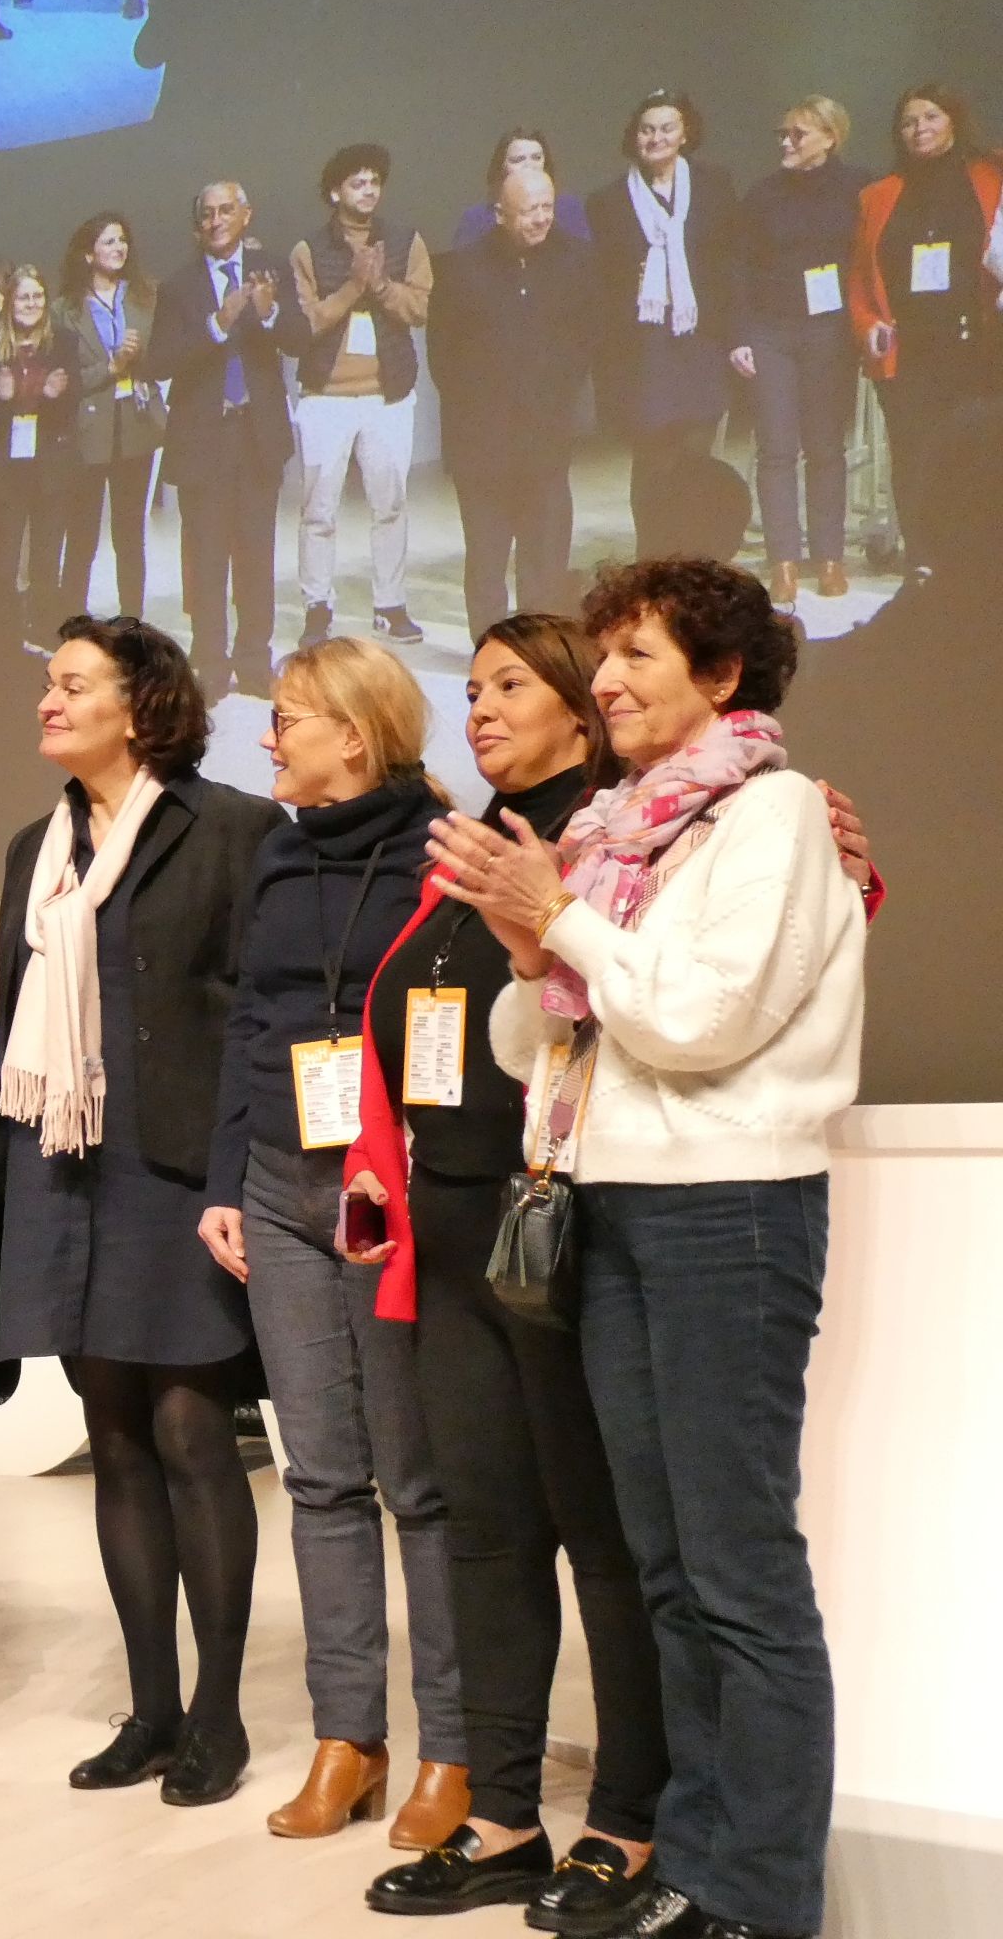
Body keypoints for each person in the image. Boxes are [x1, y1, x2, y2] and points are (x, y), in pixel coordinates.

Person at [354, 617, 886, 1925]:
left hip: (730, 1210)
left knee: (735, 1568)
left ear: (722, 677)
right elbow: (529, 1042)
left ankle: (755, 1888)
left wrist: (562, 925)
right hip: (616, 1198)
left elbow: (701, 1021)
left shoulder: (774, 815)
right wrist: (541, 951)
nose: (608, 680)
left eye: (639, 656)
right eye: (603, 658)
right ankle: (697, 1865)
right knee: (668, 1565)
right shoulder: (623, 832)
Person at [343, 619, 670, 1926]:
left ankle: (635, 1821)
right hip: (456, 1218)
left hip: (568, 1217)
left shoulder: (605, 843)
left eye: (510, 686)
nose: (477, 706)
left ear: (580, 713)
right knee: (482, 1523)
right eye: (471, 686)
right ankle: (505, 1818)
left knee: (600, 1535)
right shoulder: (467, 849)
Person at [0, 616, 283, 1807]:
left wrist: (240, 1176)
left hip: (175, 1167)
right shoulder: (33, 846)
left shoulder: (230, 830)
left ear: (140, 704)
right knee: (108, 1436)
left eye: (71, 685)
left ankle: (217, 1713)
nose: (47, 701)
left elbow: (257, 1017)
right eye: (46, 683)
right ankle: (149, 1709)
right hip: (61, 1167)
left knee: (187, 1432)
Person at [198, 639, 467, 1850]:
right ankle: (345, 1738)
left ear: (351, 738)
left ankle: (454, 1747)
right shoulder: (272, 851)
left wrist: (406, 1163)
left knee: (417, 1482)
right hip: (273, 1183)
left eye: (288, 720)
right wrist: (220, 1181)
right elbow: (248, 1020)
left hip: (385, 1188)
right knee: (316, 1475)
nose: (267, 738)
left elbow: (448, 1030)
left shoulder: (438, 856)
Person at [149, 181, 307, 701]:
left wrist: (265, 313)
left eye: (226, 211)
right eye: (207, 214)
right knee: (208, 557)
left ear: (246, 216)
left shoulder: (272, 271)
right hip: (204, 441)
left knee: (257, 555)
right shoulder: (177, 288)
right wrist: (217, 325)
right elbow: (159, 362)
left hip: (257, 437)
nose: (216, 221)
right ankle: (211, 664)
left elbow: (301, 338)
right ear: (198, 227)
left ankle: (254, 661)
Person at [430, 169, 602, 636]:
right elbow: (443, 356)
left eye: (548, 207)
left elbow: (589, 336)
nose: (541, 219)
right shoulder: (462, 268)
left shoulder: (577, 260)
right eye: (529, 210)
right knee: (486, 558)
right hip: (481, 444)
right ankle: (489, 650)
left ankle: (538, 648)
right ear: (500, 213)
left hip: (546, 439)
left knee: (543, 556)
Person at [848, 83, 1003, 580]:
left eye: (931, 117)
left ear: (954, 121)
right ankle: (923, 557)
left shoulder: (991, 176)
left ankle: (973, 554)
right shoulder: (879, 194)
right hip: (908, 348)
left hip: (976, 344)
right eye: (910, 122)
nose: (920, 129)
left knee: (974, 450)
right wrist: (868, 324)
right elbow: (859, 275)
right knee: (913, 452)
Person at [289, 145, 433, 648]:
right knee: (318, 509)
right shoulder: (308, 248)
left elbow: (420, 308)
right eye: (357, 182)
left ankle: (390, 605)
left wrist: (383, 286)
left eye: (375, 181)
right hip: (326, 395)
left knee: (390, 503)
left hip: (388, 394)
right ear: (335, 192)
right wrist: (354, 287)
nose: (369, 190)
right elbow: (306, 322)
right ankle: (317, 606)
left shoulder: (404, 240)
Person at [588, 90, 741, 559]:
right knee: (653, 461)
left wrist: (735, 338)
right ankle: (652, 560)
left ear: (685, 134)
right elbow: (601, 284)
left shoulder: (715, 187)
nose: (656, 138)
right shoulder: (609, 202)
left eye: (666, 128)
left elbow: (730, 265)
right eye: (646, 129)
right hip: (645, 348)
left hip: (700, 342)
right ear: (634, 137)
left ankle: (694, 558)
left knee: (696, 460)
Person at [731, 97, 866, 604]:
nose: (786, 143)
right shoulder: (762, 195)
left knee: (827, 447)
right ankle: (784, 561)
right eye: (782, 134)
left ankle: (829, 556)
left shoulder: (858, 188)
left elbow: (869, 258)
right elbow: (739, 269)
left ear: (831, 137)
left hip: (829, 332)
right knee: (777, 448)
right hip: (771, 330)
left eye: (798, 135)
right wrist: (740, 334)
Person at [0, 264, 98, 638]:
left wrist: (52, 397)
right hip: (7, 468)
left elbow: (74, 398)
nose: (30, 304)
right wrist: (0, 399)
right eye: (23, 297)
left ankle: (46, 629)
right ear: (10, 302)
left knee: (47, 556)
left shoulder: (62, 341)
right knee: (5, 557)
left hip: (51, 464)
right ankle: (5, 630)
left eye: (37, 296)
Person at [59, 211, 165, 620]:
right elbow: (66, 378)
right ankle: (74, 620)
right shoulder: (66, 309)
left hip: (136, 424)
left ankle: (132, 620)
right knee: (83, 534)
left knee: (129, 532)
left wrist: (139, 360)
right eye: (108, 241)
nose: (119, 248)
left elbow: (162, 354)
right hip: (88, 429)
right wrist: (112, 365)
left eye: (122, 240)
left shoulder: (145, 296)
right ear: (88, 254)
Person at [450, 129, 592, 248]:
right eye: (518, 159)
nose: (529, 165)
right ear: (501, 167)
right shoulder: (475, 218)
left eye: (536, 157)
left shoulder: (569, 208)